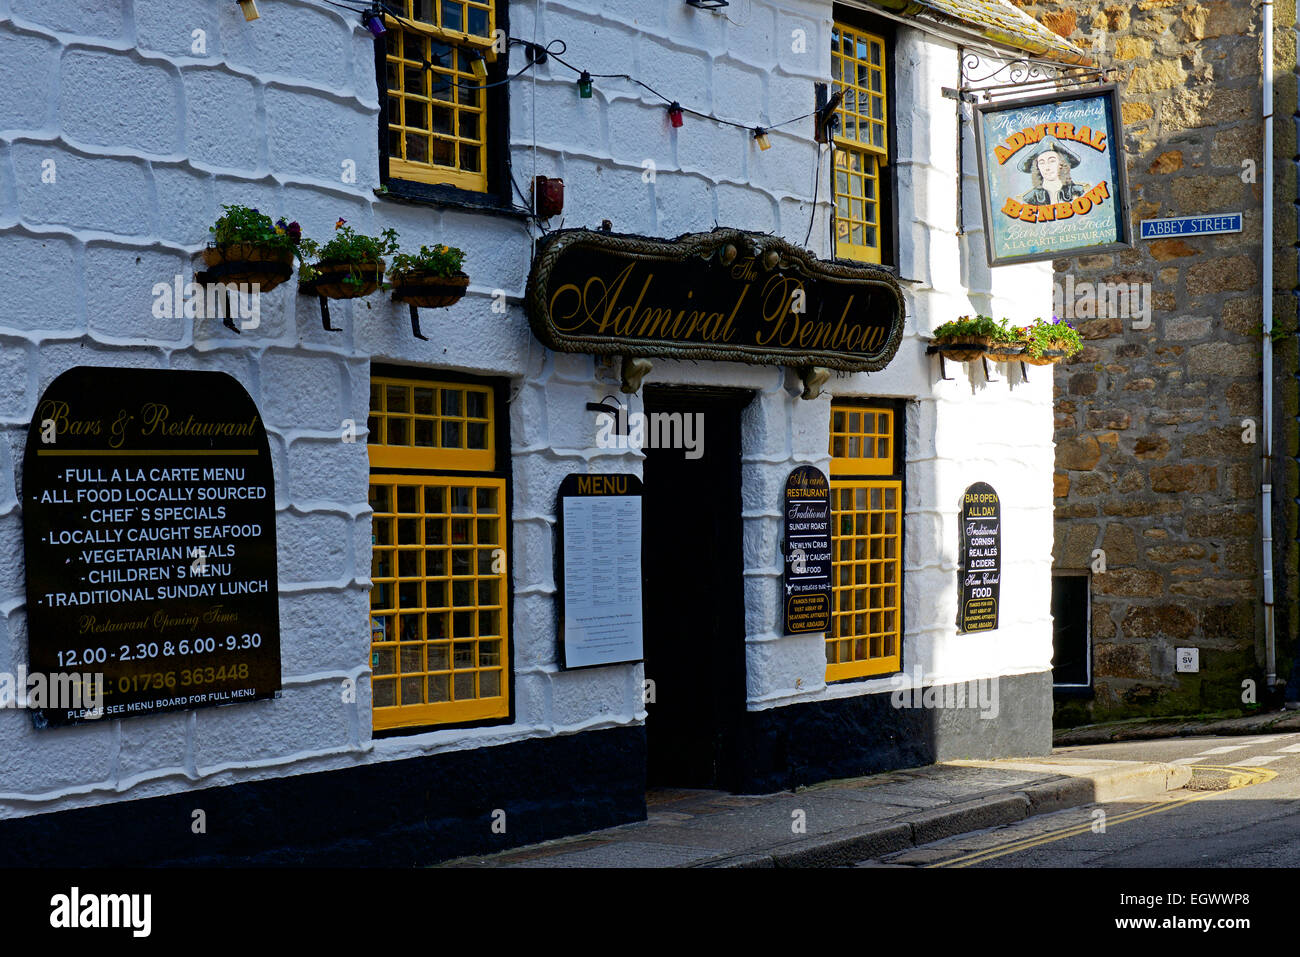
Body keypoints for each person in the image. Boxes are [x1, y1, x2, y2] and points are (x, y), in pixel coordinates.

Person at [1018, 136, 1089, 205]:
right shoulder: (1029, 199)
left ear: (1062, 164)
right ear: (1037, 167)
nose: (1047, 167)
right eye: (1041, 162)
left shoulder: (1079, 191)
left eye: (1052, 161)